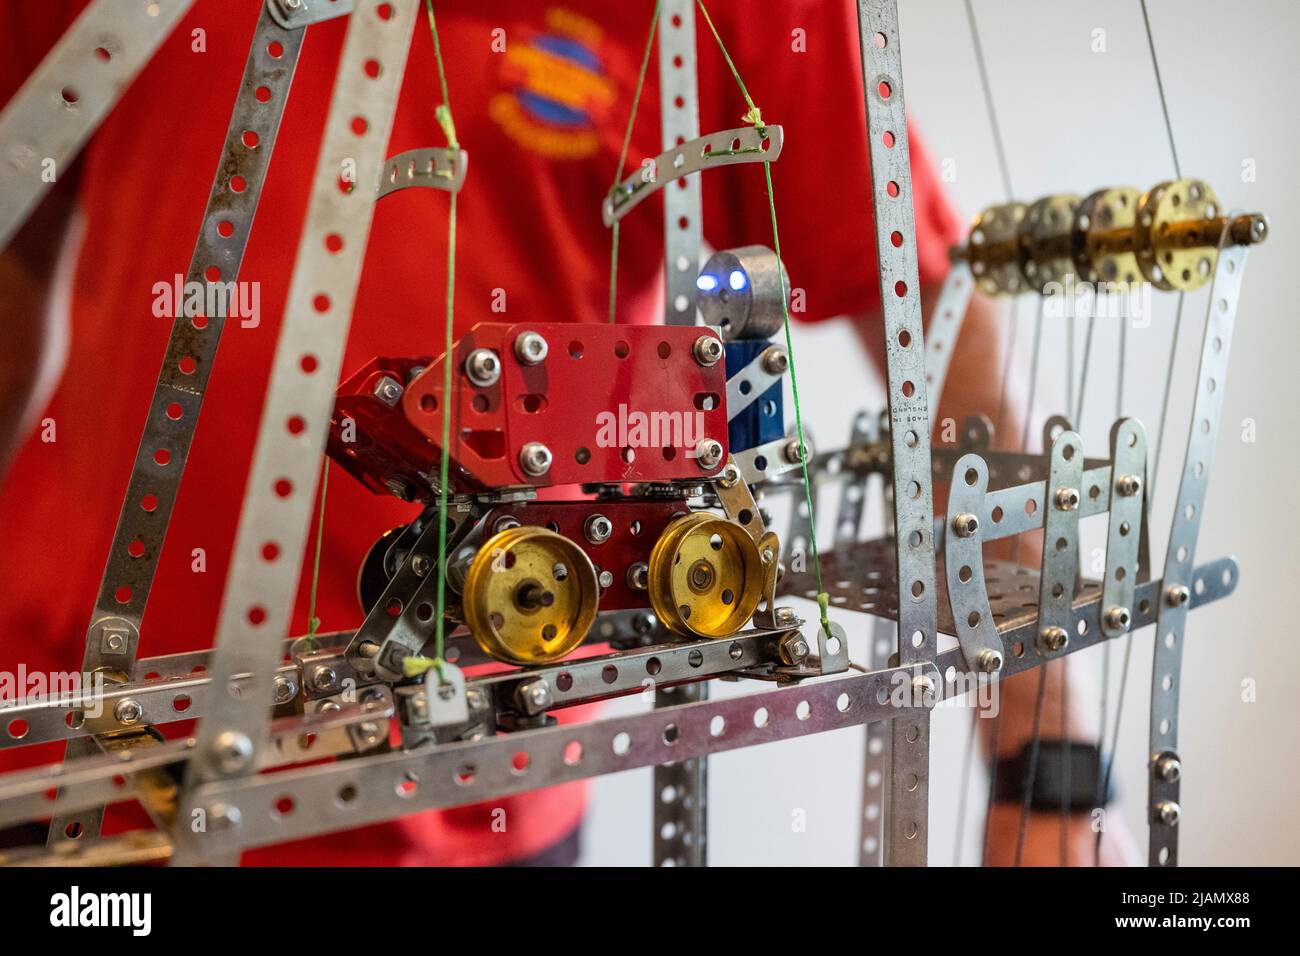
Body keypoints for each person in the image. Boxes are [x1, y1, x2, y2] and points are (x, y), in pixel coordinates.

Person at [0, 0, 1132, 865]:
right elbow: (15, 243)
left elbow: (928, 309)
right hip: (63, 762)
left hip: (470, 801)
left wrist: (1047, 766)